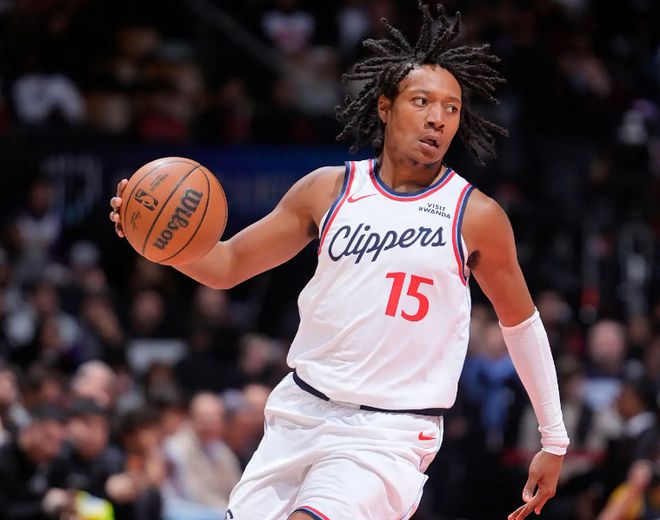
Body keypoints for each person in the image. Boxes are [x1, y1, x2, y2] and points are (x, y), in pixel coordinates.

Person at [110, 3, 569, 519]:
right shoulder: (328, 190)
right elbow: (225, 264)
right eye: (422, 101)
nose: (438, 118)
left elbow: (521, 323)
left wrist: (553, 438)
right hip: (300, 412)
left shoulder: (476, 215)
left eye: (452, 108)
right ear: (385, 106)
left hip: (389, 432)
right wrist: (155, 241)